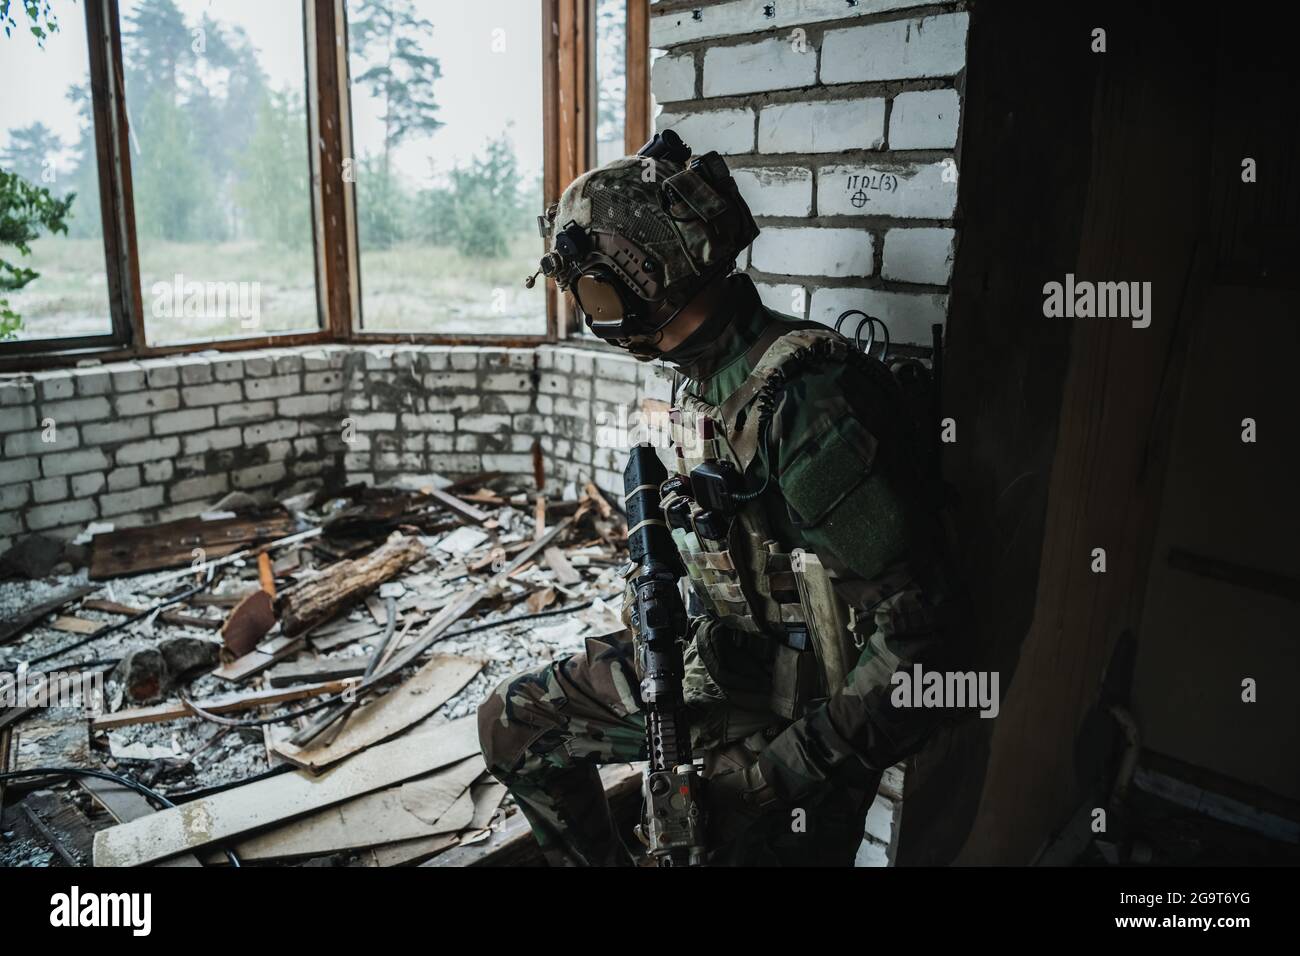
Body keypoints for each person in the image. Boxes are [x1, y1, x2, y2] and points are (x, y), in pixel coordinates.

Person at [478, 130, 963, 866]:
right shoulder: (708, 376)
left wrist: (766, 782)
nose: (589, 307)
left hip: (810, 716)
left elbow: (928, 649)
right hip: (725, 662)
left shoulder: (804, 403)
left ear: (643, 278)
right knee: (514, 725)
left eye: (591, 285)